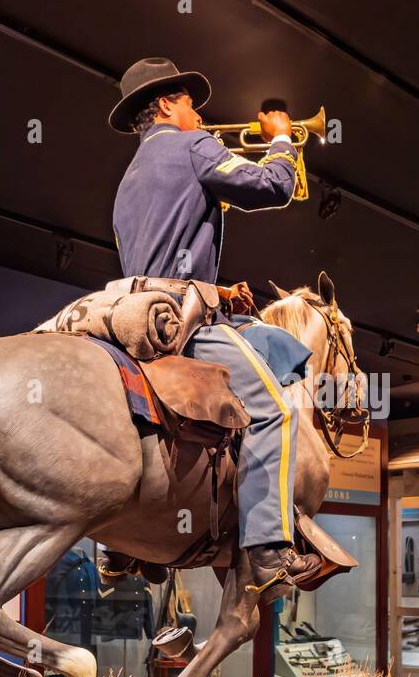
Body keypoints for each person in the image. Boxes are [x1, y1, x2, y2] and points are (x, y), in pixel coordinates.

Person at [106, 56, 320, 599]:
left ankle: (120, 546)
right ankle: (269, 549)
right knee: (271, 407)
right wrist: (281, 138)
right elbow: (273, 186)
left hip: (133, 313)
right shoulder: (190, 147)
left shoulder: (128, 179)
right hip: (181, 319)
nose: (199, 116)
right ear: (164, 106)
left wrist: (221, 292)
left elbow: (157, 255)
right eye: (189, 105)